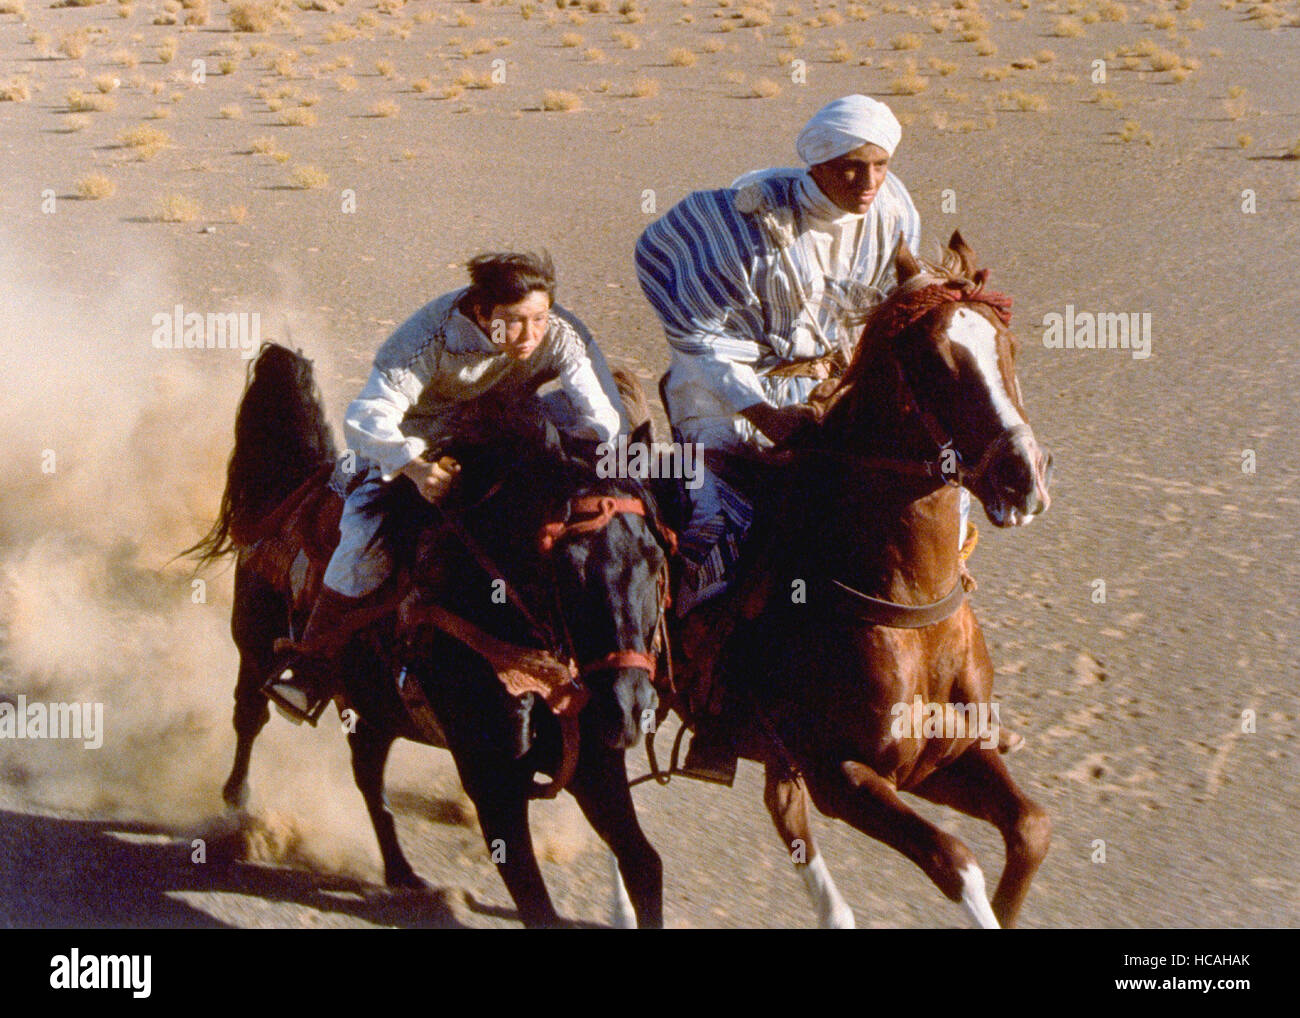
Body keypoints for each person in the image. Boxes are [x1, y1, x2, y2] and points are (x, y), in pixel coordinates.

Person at [635, 94, 968, 782]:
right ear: (816, 163)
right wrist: (762, 413)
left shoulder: (891, 209)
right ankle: (707, 694)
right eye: (851, 167)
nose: (868, 181)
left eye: (879, 164)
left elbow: (893, 301)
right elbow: (700, 341)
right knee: (722, 525)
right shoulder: (738, 226)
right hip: (726, 398)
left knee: (931, 497)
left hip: (828, 385)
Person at [265, 251, 625, 725]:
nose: (530, 334)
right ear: (482, 313)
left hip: (507, 426)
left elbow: (599, 414)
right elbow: (366, 416)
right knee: (364, 535)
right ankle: (309, 664)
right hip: (422, 438)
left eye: (539, 318)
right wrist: (414, 469)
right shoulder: (425, 338)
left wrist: (592, 457)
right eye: (514, 322)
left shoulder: (559, 332)